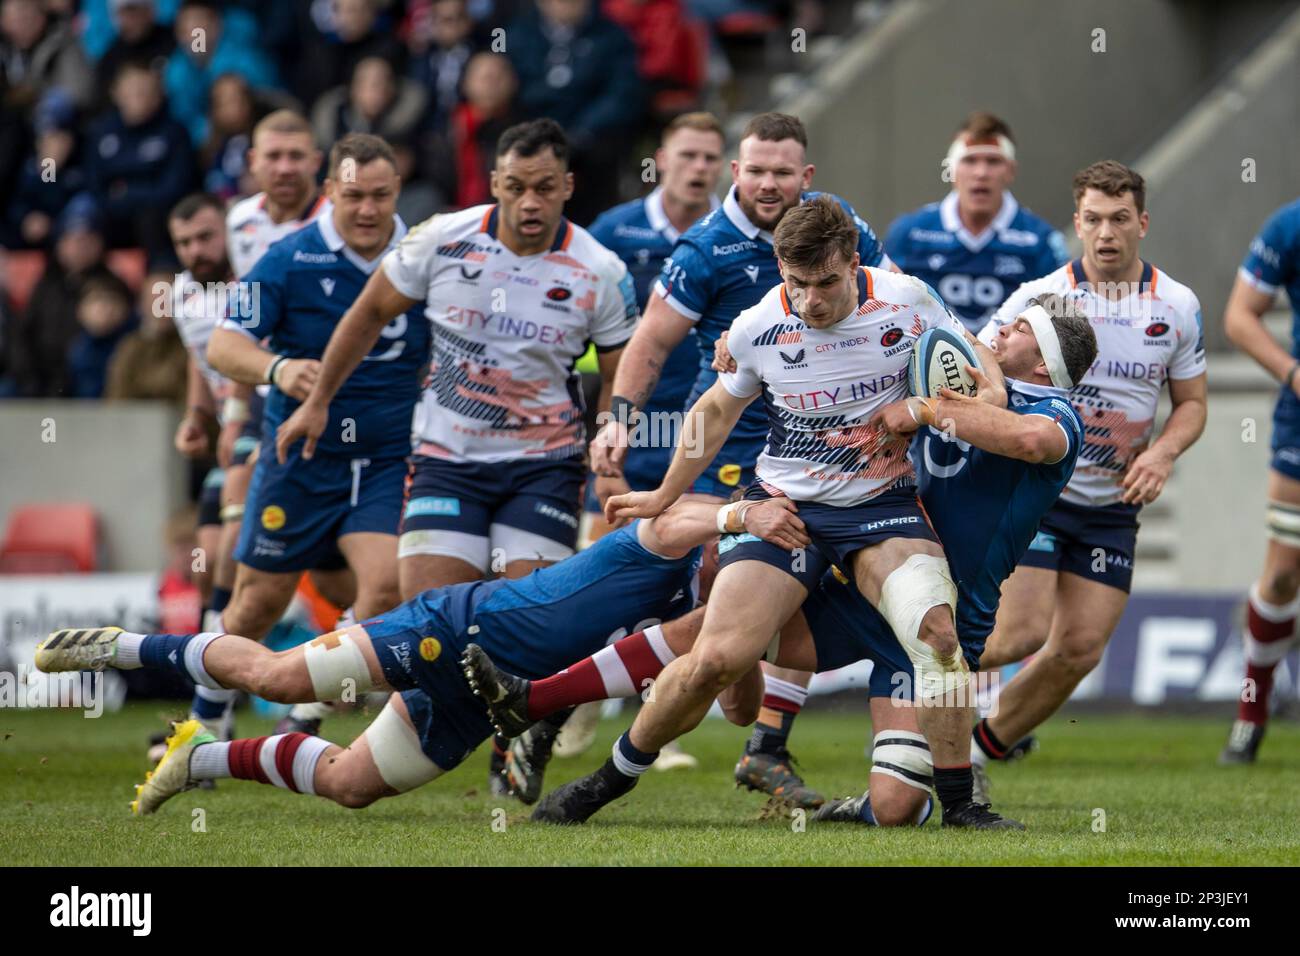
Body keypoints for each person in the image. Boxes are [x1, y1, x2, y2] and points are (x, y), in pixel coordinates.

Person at [467, 291, 1097, 826]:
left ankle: (918, 803)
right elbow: (841, 309)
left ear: (1042, 359)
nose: (997, 329)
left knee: (898, 805)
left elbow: (1028, 440)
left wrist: (928, 411)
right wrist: (741, 342)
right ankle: (561, 724)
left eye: (1015, 329)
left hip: (953, 611)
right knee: (715, 641)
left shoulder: (1054, 413)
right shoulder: (948, 372)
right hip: (867, 576)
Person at [549, 196, 1022, 830]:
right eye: (796, 284)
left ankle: (963, 806)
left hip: (879, 507)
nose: (811, 301)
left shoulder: (907, 299)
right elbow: (714, 414)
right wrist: (665, 495)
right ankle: (608, 780)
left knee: (938, 634)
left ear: (853, 262)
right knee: (717, 659)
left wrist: (987, 391)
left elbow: (971, 353)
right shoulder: (755, 326)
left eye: (826, 283)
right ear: (779, 269)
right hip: (781, 508)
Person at [589, 111, 893, 805]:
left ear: (805, 177)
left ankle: (763, 746)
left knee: (799, 589)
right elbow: (648, 342)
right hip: (732, 448)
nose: (768, 183)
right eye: (756, 170)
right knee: (719, 619)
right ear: (736, 172)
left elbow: (887, 296)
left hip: (823, 442)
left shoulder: (837, 224)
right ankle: (580, 696)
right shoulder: (706, 248)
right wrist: (620, 421)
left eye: (782, 172)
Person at [276, 119, 636, 606]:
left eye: (545, 188)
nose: (530, 202)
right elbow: (368, 313)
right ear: (494, 185)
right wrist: (318, 401)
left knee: (525, 619)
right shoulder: (442, 239)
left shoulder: (601, 271)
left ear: (568, 186)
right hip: (446, 460)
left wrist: (611, 448)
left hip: (544, 465)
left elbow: (622, 369)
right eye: (515, 187)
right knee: (431, 626)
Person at [971, 160, 1208, 800]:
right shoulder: (1041, 298)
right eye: (1094, 220)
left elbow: (1192, 403)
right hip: (1041, 493)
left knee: (1077, 650)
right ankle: (905, 709)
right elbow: (978, 367)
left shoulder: (1177, 306)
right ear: (1076, 223)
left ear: (1142, 223)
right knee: (1019, 633)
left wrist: (1161, 454)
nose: (1107, 233)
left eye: (1120, 219)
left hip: (1112, 507)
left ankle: (969, 752)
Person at [206, 137, 429, 707]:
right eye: (353, 196)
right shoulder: (289, 257)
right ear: (329, 191)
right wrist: (278, 369)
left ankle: (306, 705)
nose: (367, 210)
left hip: (386, 458)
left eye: (380, 196)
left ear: (397, 192)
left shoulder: (427, 255)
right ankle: (203, 721)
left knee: (383, 589)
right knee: (257, 604)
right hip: (300, 457)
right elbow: (224, 345)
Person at [1218, 196, 1300, 763]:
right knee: (1281, 578)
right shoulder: (1290, 224)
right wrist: (1292, 372)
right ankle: (1252, 710)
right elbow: (1239, 316)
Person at [884, 111, 1067, 334]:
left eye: (993, 161)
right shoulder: (910, 234)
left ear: (1010, 171)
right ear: (951, 170)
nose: (981, 173)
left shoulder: (1040, 243)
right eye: (969, 160)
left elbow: (1059, 326)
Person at [505, 0, 644, 224]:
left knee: (604, 151)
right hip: (526, 132)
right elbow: (505, 84)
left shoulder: (614, 36)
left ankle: (592, 233)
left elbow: (623, 94)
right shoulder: (515, 34)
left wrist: (583, 131)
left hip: (589, 140)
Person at [84, 59, 194, 263]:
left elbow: (174, 189)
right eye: (131, 90)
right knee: (80, 219)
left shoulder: (174, 132)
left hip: (157, 219)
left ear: (159, 94)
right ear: (116, 93)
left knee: (152, 219)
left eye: (145, 90)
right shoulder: (101, 132)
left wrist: (126, 192)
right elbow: (93, 185)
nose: (138, 97)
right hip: (111, 215)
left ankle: (159, 277)